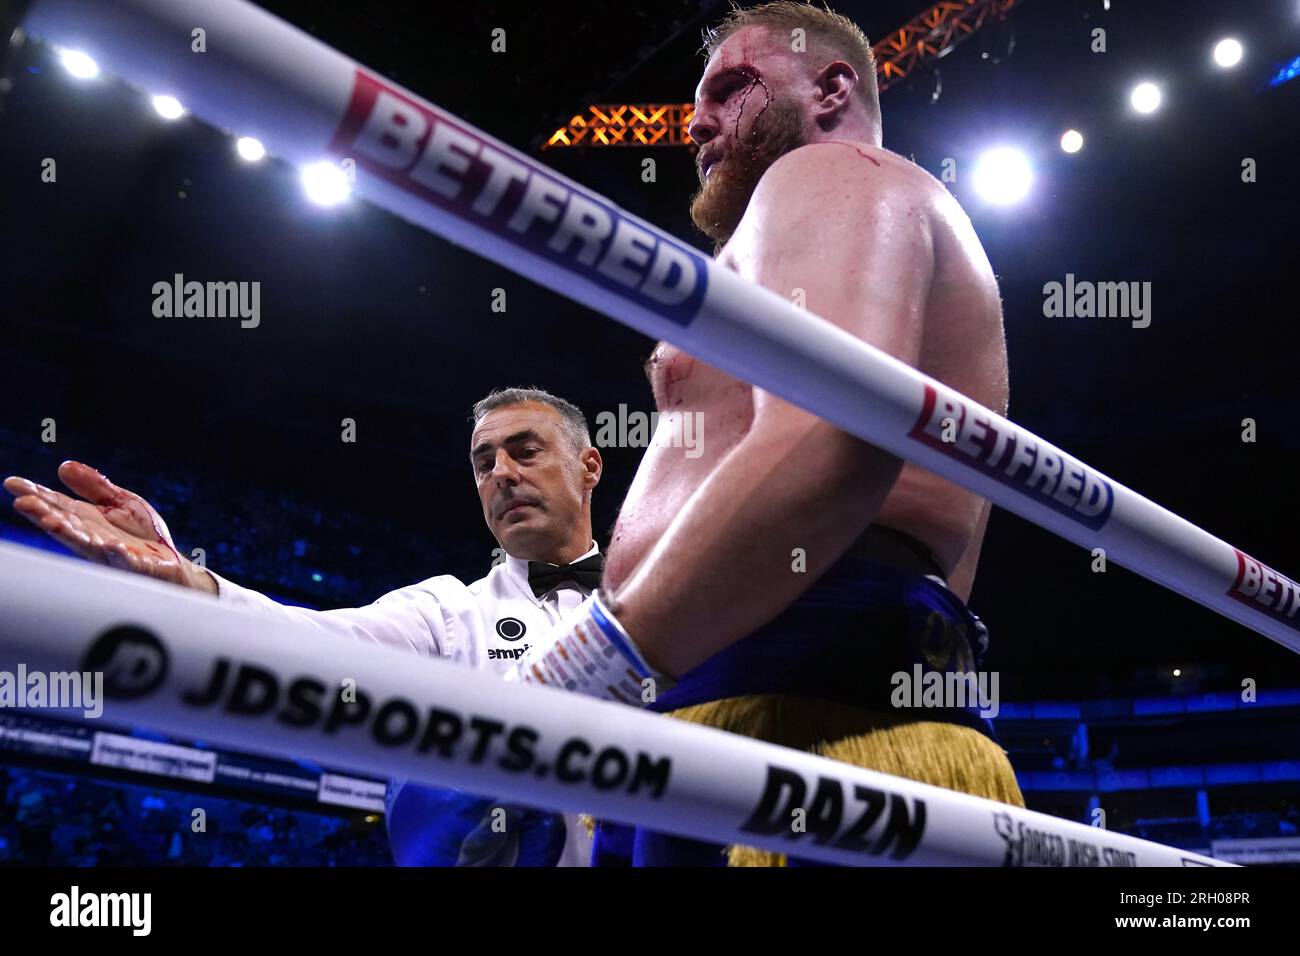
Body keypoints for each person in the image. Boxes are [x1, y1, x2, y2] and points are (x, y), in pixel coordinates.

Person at [503, 1, 1022, 866]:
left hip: (793, 726)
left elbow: (839, 434)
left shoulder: (831, 173)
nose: (696, 122)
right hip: (795, 703)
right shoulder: (853, 216)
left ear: (830, 89)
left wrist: (594, 663)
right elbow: (936, 551)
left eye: (732, 88)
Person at [3, 386, 605, 866]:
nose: (500, 473)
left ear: (588, 467)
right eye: (482, 463)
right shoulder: (446, 611)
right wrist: (187, 579)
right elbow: (309, 646)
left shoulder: (662, 605)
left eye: (525, 452)